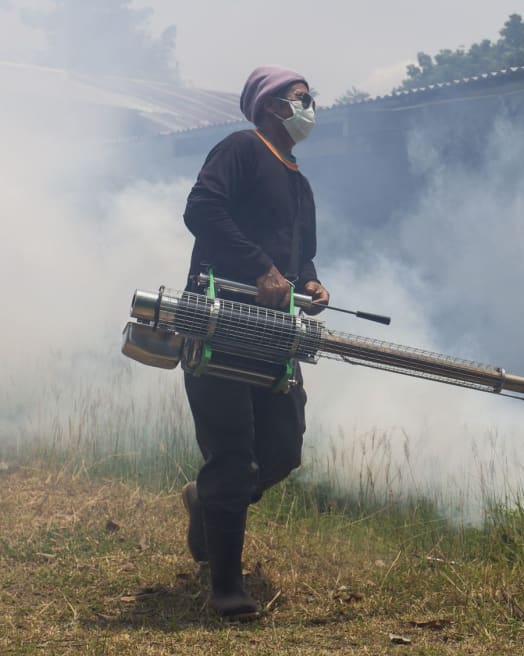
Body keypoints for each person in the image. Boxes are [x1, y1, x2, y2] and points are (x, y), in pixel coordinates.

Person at [179, 65, 329, 619]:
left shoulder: (297, 180)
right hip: (219, 319)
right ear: (272, 106)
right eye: (302, 97)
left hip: (273, 331)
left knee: (283, 448)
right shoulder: (240, 149)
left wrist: (308, 281)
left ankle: (207, 501)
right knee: (234, 452)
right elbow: (201, 209)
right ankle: (226, 588)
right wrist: (261, 268)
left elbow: (300, 254)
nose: (311, 106)